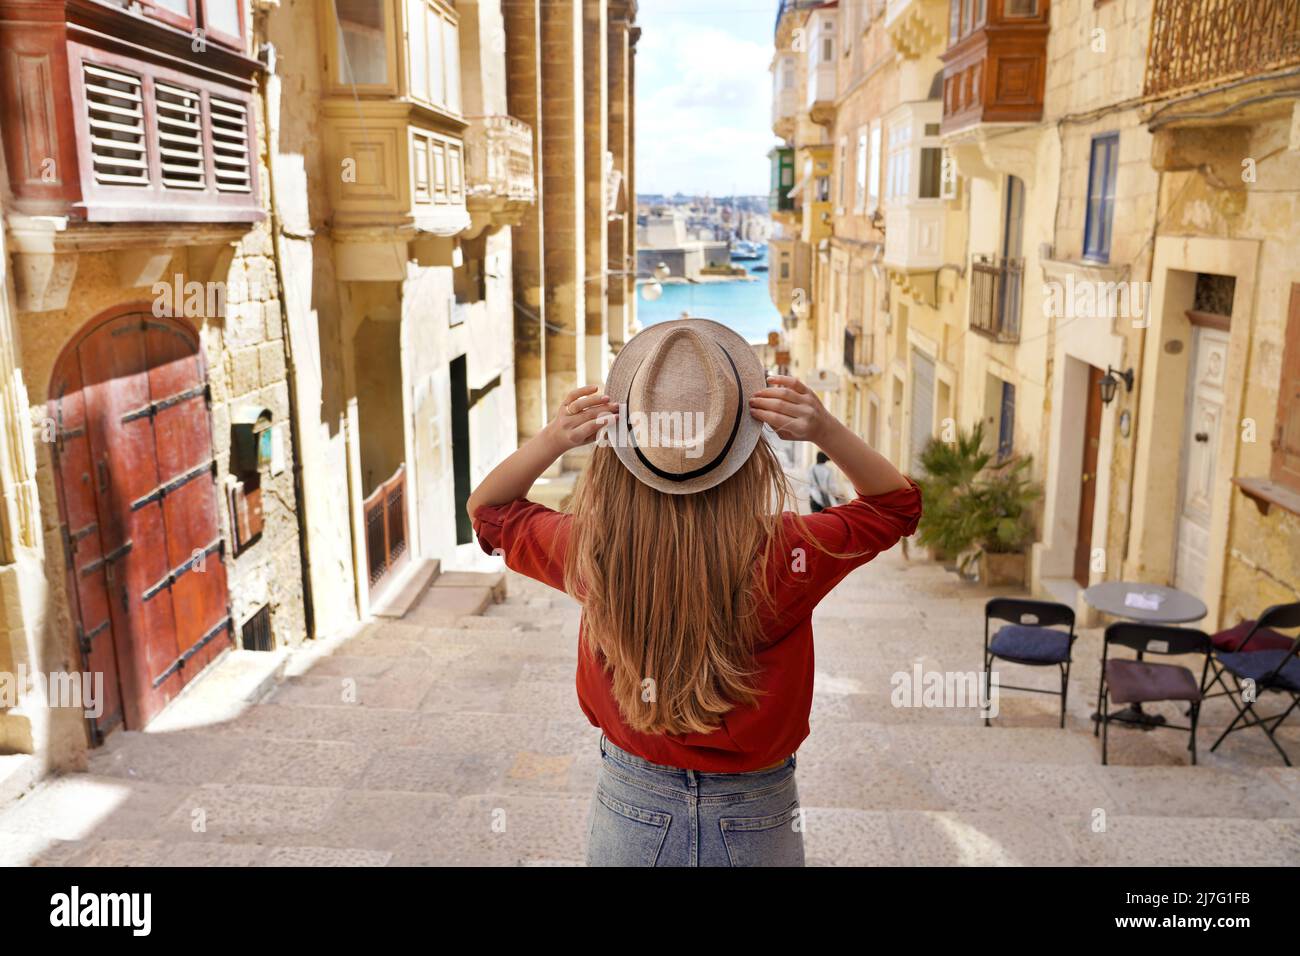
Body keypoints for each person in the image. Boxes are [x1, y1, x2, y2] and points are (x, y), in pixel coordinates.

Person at [466, 318, 920, 867]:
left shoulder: (590, 550)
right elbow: (896, 506)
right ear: (746, 452)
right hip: (758, 809)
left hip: (630, 800)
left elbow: (489, 509)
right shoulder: (790, 553)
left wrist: (553, 438)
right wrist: (825, 430)